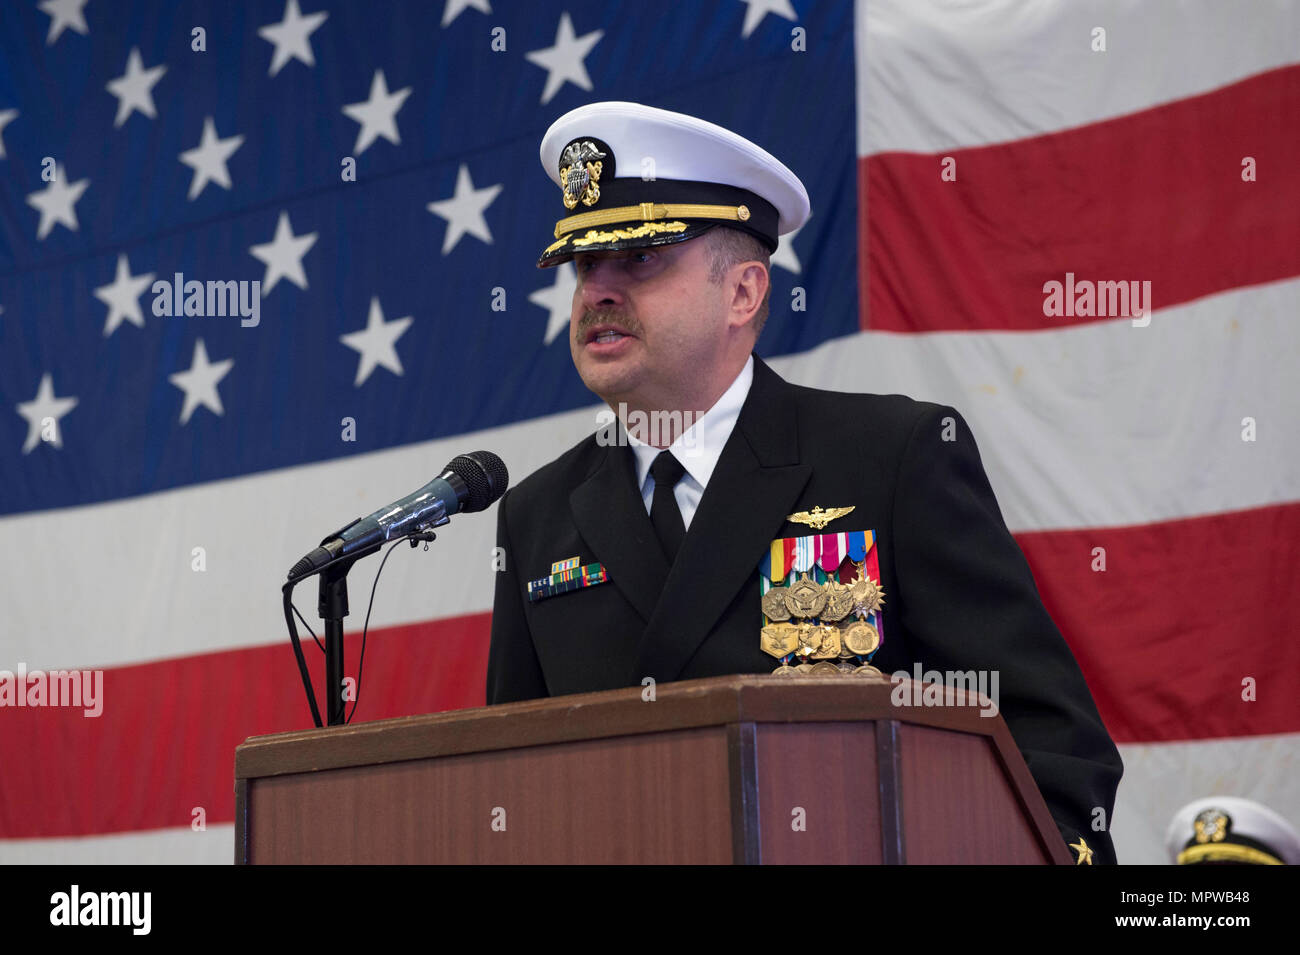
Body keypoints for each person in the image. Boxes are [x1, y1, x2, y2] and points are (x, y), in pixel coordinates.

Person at [487, 101, 1123, 864]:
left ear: (744, 292)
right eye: (585, 265)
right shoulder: (537, 515)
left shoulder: (891, 456)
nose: (597, 291)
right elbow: (509, 776)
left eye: (642, 257)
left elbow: (1046, 742)